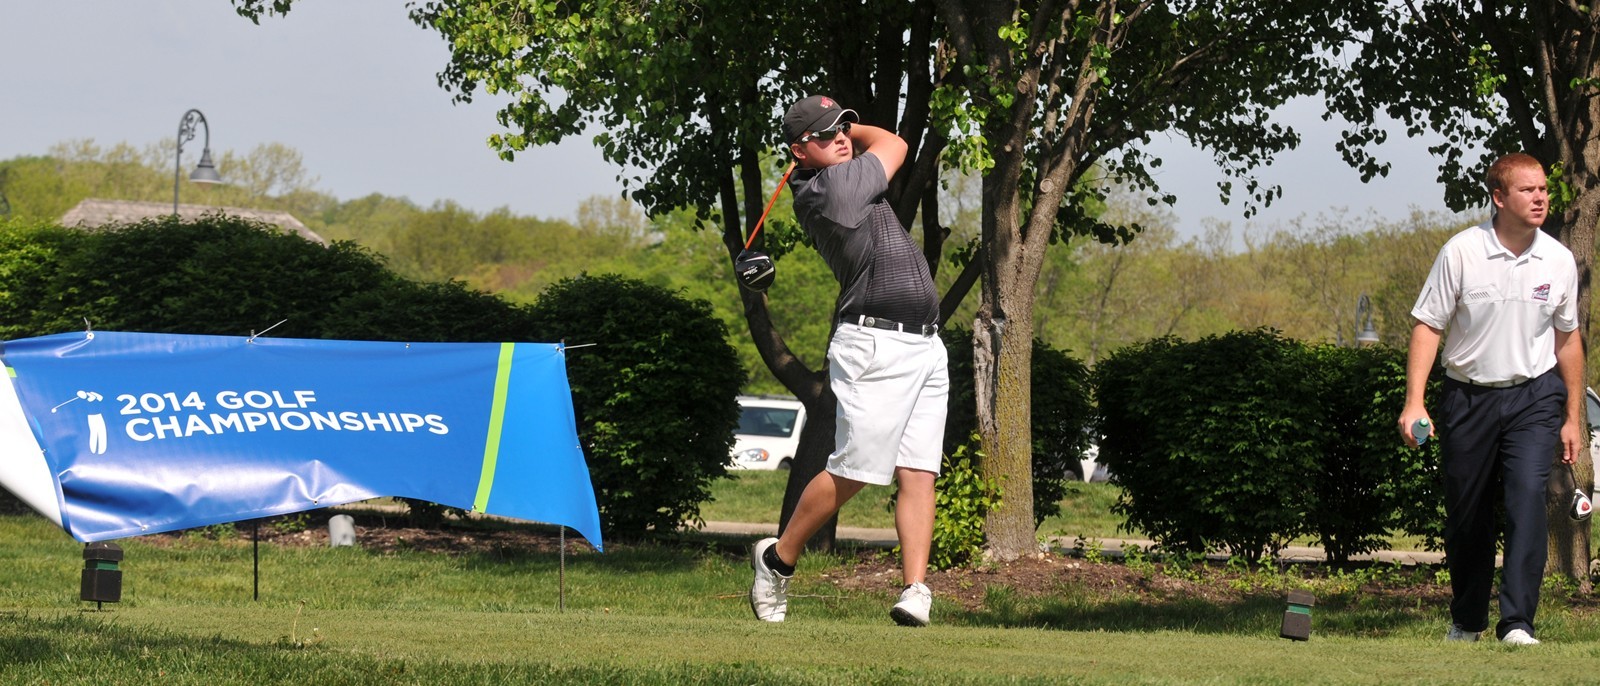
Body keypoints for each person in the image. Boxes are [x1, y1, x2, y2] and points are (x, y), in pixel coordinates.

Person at [748, 95, 948, 627]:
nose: (840, 136)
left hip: (925, 344)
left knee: (918, 471)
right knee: (857, 470)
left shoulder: (840, 176)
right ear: (800, 153)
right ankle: (778, 559)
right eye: (826, 134)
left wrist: (840, 128)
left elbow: (873, 146)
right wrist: (860, 134)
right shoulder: (835, 186)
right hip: (875, 345)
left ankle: (915, 589)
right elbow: (897, 144)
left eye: (844, 127)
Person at [1398, 152, 1584, 646]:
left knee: (1527, 499)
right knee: (1467, 513)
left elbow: (1568, 340)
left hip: (1534, 398)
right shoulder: (1461, 252)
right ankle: (1468, 621)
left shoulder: (1560, 260)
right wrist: (1414, 402)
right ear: (1499, 198)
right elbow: (1427, 326)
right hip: (1468, 398)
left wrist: (1573, 416)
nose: (1540, 197)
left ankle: (1517, 623)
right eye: (1528, 190)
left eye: (1543, 189)